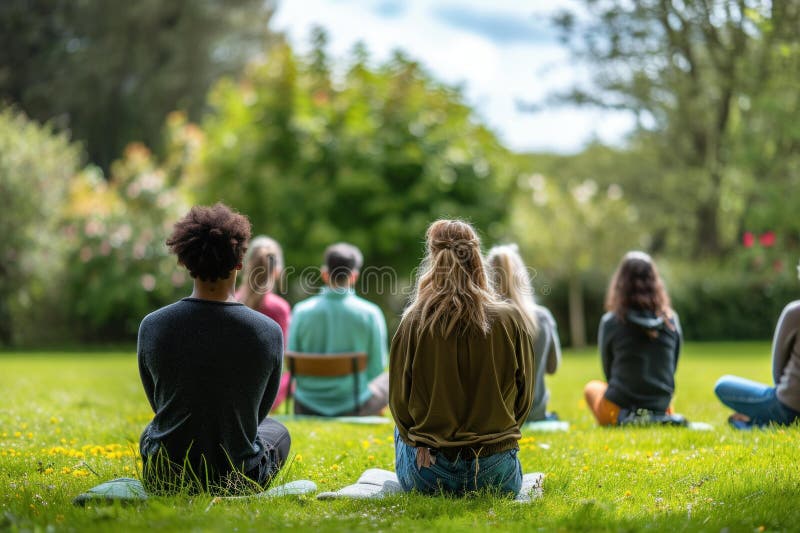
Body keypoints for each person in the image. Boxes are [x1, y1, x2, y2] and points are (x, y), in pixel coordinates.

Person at [137, 204, 290, 494]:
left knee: (151, 430)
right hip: (240, 473)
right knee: (278, 431)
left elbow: (158, 402)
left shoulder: (152, 325)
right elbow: (258, 413)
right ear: (239, 263)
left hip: (165, 474)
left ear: (185, 261)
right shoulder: (268, 331)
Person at [390, 220, 535, 497]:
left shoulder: (413, 321)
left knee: (401, 431)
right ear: (477, 257)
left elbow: (399, 404)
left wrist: (421, 439)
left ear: (433, 258)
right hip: (497, 474)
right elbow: (524, 398)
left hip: (430, 474)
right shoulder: (509, 319)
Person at [288, 242, 389, 416]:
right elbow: (377, 368)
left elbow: (291, 359)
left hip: (307, 403)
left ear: (324, 274)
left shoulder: (301, 311)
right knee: (391, 378)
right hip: (355, 404)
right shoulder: (370, 313)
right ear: (354, 276)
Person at [584, 251, 682, 426]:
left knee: (592, 388)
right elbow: (671, 366)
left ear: (620, 283)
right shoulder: (671, 320)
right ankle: (653, 417)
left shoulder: (610, 321)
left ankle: (630, 417)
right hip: (661, 409)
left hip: (619, 410)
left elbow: (608, 371)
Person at [714, 262, 800, 428]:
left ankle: (753, 424)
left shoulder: (795, 312)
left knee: (723, 385)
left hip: (788, 406)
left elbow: (777, 371)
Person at [486, 244, 562, 422]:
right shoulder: (542, 318)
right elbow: (553, 367)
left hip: (496, 418)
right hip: (534, 414)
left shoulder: (484, 320)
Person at [237, 236, 292, 410]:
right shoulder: (279, 308)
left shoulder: (232, 301)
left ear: (245, 266)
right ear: (277, 271)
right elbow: (282, 355)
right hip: (267, 396)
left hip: (232, 389)